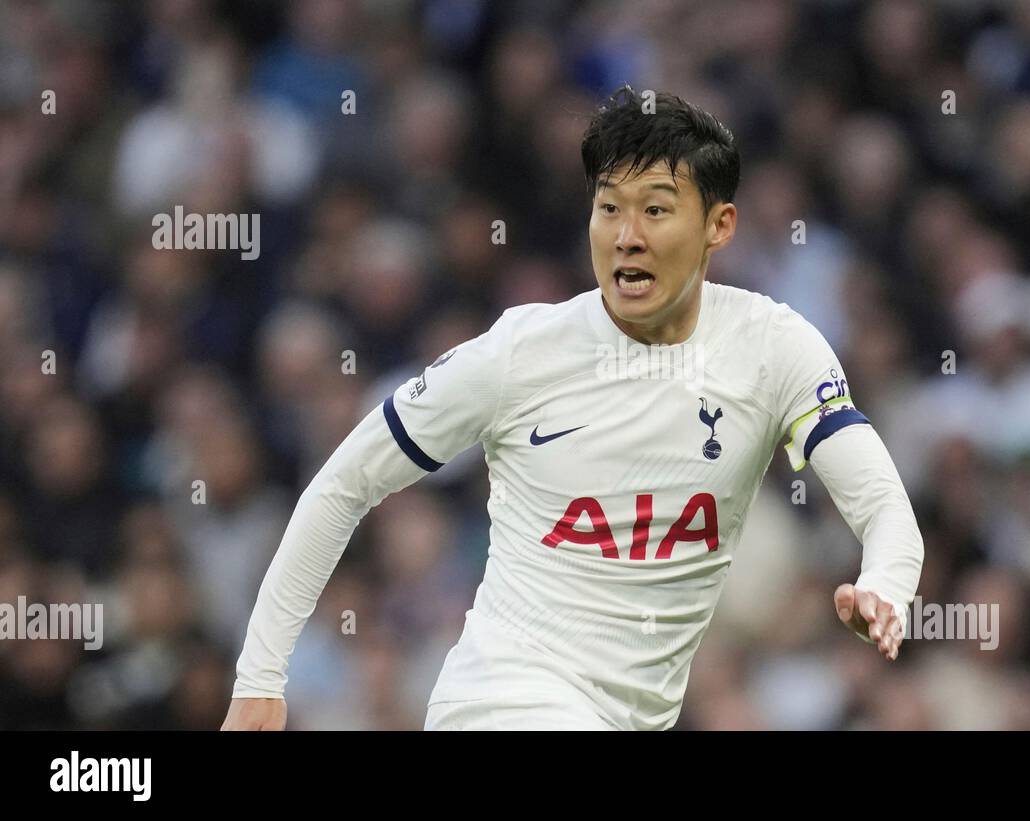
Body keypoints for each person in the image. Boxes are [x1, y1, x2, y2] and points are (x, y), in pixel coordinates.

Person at [221, 86, 924, 731]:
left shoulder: (775, 348)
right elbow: (343, 483)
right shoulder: (521, 352)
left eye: (655, 208)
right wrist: (260, 676)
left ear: (719, 225)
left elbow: (883, 507)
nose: (626, 234)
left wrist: (884, 585)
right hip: (500, 705)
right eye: (608, 207)